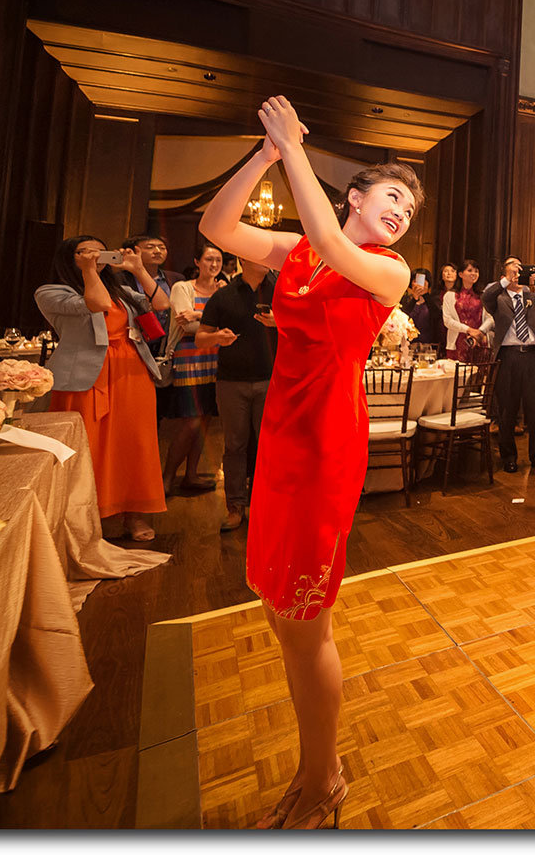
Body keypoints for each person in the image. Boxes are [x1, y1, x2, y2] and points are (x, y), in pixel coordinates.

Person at [199, 94, 417, 831]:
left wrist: (294, 145)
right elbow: (215, 226)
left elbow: (327, 241)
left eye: (409, 209)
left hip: (327, 439)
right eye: (392, 196)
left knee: (307, 613)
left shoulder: (386, 269)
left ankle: (322, 777)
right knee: (277, 606)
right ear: (355, 195)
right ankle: (315, 764)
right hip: (283, 431)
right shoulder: (299, 246)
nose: (401, 212)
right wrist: (265, 153)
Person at [36, 236, 172, 542]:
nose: (95, 255)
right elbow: (95, 303)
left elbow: (162, 304)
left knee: (134, 443)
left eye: (100, 250)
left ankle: (133, 513)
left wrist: (138, 270)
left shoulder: (121, 290)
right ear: (69, 258)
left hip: (131, 369)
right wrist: (89, 271)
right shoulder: (51, 291)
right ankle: (81, 517)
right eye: (85, 252)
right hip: (85, 375)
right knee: (87, 445)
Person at [200, 257, 279, 532]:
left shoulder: (282, 290)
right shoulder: (224, 295)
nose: (267, 260)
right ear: (244, 258)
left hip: (272, 380)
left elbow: (308, 329)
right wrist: (217, 338)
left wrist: (279, 323)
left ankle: (265, 505)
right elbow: (201, 337)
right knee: (235, 444)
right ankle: (235, 506)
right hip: (231, 381)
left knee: (269, 445)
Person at [483, 257, 535, 473]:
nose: (517, 274)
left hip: (532, 357)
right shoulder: (498, 297)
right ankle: (509, 457)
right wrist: (506, 281)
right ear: (504, 275)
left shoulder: (532, 295)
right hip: (508, 357)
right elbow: (486, 297)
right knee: (507, 409)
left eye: (520, 270)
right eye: (512, 270)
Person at [163, 243, 227, 494]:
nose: (214, 265)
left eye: (218, 261)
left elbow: (224, 321)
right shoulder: (183, 287)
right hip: (190, 358)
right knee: (191, 420)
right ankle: (167, 476)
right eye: (209, 260)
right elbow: (185, 326)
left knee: (205, 421)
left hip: (216, 359)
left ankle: (191, 474)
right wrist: (211, 322)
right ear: (197, 262)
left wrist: (198, 315)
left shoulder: (224, 289)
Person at [441, 259, 491, 361]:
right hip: (457, 342)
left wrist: (480, 332)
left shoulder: (483, 295)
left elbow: (490, 318)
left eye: (476, 271)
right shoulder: (450, 295)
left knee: (479, 375)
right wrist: (468, 330)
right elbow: (447, 321)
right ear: (460, 274)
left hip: (479, 341)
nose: (474, 273)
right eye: (470, 270)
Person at [399, 269, 445, 350]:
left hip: (429, 346)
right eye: (415, 280)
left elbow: (437, 316)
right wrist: (414, 299)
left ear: (428, 283)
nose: (419, 283)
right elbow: (403, 317)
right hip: (407, 345)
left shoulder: (434, 300)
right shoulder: (405, 299)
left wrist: (426, 295)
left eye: (423, 280)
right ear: (411, 283)